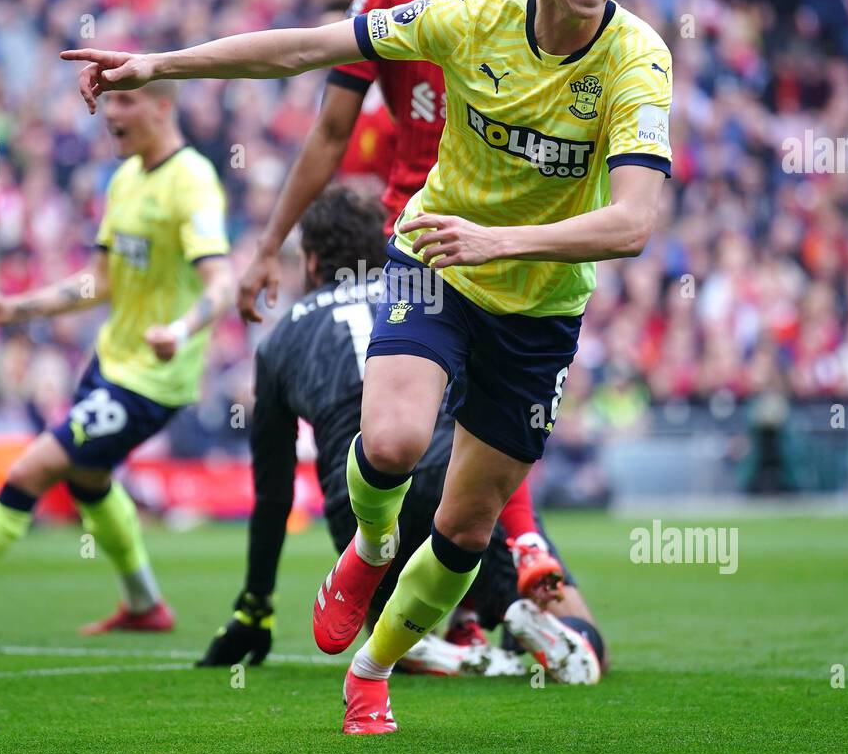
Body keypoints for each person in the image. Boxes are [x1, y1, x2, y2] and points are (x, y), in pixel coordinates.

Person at [61, 0, 673, 734]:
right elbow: (304, 50)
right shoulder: (470, 15)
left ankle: (373, 668)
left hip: (538, 306)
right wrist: (161, 63)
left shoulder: (638, 59)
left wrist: (502, 243)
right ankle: (368, 549)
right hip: (434, 259)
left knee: (465, 524)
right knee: (387, 441)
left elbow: (636, 220)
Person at [236, 0, 566, 613]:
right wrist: (267, 246)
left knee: (495, 419)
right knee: (401, 436)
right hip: (417, 237)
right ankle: (452, 551)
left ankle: (502, 567)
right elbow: (329, 135)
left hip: (514, 247)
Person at [0, 81, 234, 641]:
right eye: (109, 103)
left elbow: (222, 282)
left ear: (162, 105)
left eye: (125, 101)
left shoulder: (192, 180)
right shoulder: (125, 180)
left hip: (155, 378)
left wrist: (180, 330)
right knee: (87, 480)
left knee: (32, 468)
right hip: (109, 365)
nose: (110, 114)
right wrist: (15, 308)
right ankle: (145, 604)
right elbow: (98, 282)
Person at [198, 187, 604, 683]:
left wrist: (255, 605)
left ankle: (432, 639)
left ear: (310, 260)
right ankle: (508, 617)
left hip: (361, 506)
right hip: (452, 485)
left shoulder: (280, 340)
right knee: (578, 632)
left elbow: (273, 493)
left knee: (392, 605)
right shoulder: (431, 297)